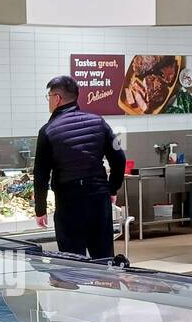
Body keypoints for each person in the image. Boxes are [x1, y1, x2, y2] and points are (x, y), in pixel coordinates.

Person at [33, 75, 125, 259]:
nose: (48, 101)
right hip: (98, 199)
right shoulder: (99, 122)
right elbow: (119, 158)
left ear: (57, 98)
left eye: (49, 96)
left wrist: (40, 209)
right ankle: (105, 287)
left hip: (69, 203)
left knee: (73, 263)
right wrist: (112, 188)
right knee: (104, 259)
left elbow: (41, 174)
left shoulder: (47, 131)